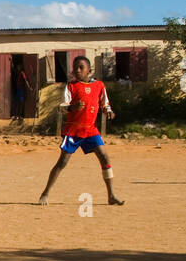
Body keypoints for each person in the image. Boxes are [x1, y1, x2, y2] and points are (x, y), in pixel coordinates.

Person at [37, 55, 124, 206]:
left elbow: (105, 103)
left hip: (91, 130)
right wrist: (72, 107)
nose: (77, 70)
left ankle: (111, 195)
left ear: (89, 70)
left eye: (80, 68)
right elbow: (62, 107)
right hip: (73, 130)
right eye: (75, 68)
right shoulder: (71, 86)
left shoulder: (99, 86)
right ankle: (45, 193)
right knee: (62, 162)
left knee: (104, 157)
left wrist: (108, 111)